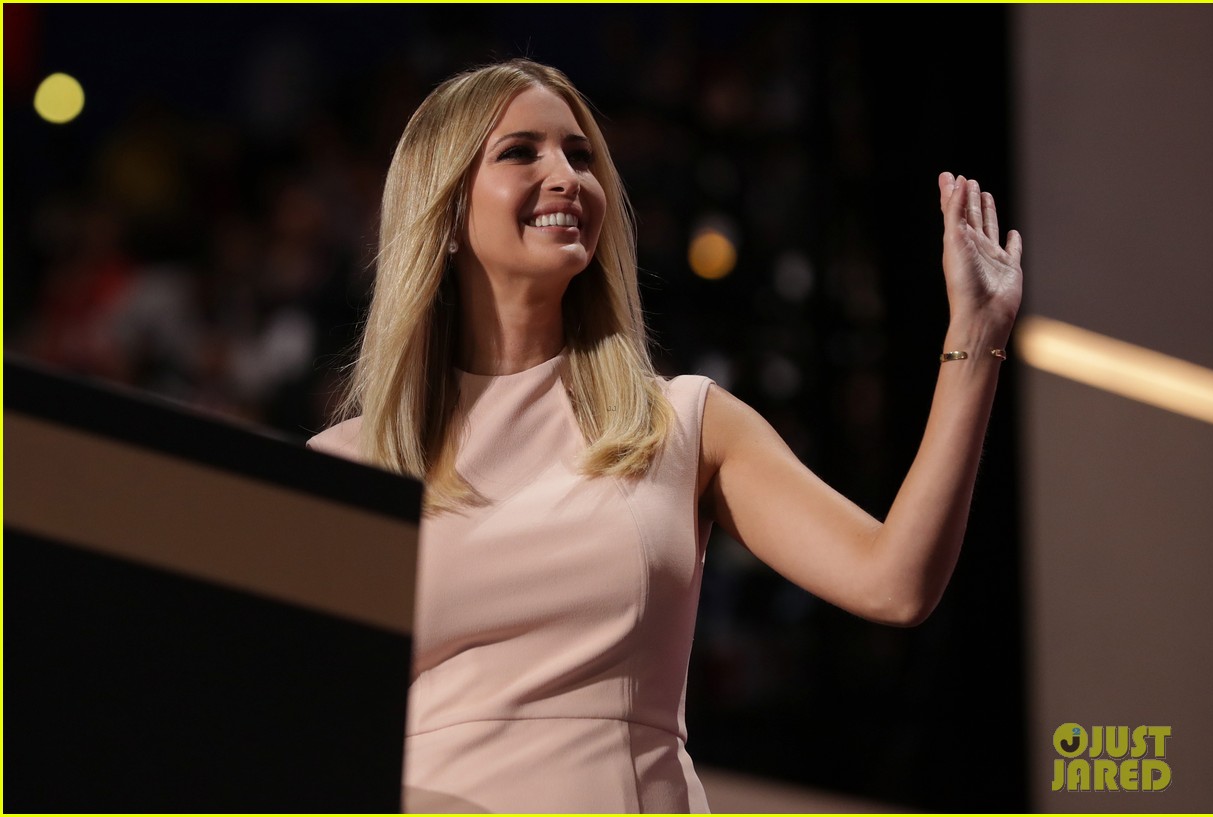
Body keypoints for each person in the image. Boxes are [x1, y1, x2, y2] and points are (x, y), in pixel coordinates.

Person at [307, 58, 1022, 813]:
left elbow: (894, 580)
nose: (567, 177)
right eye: (521, 152)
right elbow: (304, 737)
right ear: (445, 211)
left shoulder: (681, 424)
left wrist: (975, 337)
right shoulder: (351, 467)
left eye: (579, 155)